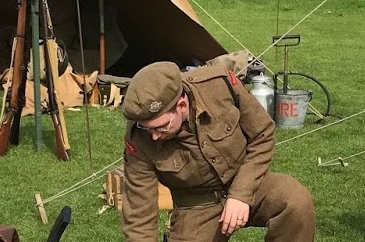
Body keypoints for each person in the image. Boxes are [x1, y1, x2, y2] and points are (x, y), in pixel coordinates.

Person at [120, 62, 315, 242]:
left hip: (247, 182)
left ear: (181, 105)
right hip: (197, 206)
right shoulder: (138, 138)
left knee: (294, 201)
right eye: (147, 128)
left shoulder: (219, 85)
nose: (153, 136)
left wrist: (240, 194)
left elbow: (262, 134)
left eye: (160, 127)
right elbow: (139, 213)